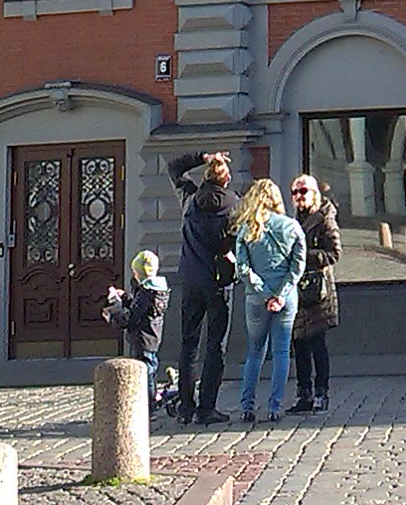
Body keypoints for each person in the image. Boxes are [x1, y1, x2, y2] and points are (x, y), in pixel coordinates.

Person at [230, 177, 307, 425]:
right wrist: (280, 294)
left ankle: (247, 406)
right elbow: (298, 267)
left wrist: (263, 292)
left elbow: (242, 268)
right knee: (282, 351)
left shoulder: (247, 229)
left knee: (254, 352)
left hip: (255, 298)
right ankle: (275, 407)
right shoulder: (292, 227)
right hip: (285, 299)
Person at [168, 151, 235, 424]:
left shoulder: (189, 200)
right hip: (219, 283)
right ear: (227, 179)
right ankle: (207, 408)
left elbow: (174, 167)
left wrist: (204, 156)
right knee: (215, 346)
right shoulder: (234, 204)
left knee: (189, 344)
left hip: (191, 281)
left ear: (205, 175)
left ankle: (186, 407)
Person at [289, 172, 344, 414]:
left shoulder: (324, 219)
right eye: (295, 192)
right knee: (299, 344)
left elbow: (334, 253)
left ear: (314, 194)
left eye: (303, 192)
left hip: (318, 290)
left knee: (317, 343)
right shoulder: (294, 220)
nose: (299, 197)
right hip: (298, 290)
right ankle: (304, 395)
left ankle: (322, 392)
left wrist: (304, 256)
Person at [104, 249, 169, 388]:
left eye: (135, 272)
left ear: (140, 273)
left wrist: (115, 306)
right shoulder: (157, 291)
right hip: (151, 338)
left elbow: (130, 318)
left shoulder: (146, 293)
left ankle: (148, 404)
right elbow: (139, 309)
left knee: (145, 375)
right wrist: (125, 297)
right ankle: (150, 401)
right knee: (151, 370)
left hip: (143, 339)